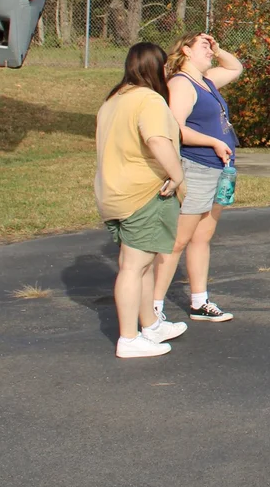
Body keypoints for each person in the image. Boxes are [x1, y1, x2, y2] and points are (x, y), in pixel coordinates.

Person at [94, 43, 189, 359]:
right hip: (143, 194)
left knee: (141, 262)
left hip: (113, 194)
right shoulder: (149, 100)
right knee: (134, 267)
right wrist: (176, 175)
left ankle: (151, 325)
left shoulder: (112, 101)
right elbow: (157, 140)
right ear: (158, 69)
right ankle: (128, 337)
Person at [152, 32, 244, 323]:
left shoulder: (206, 81)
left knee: (203, 237)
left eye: (210, 44)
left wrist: (218, 48)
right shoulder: (181, 83)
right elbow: (176, 129)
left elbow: (235, 67)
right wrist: (214, 143)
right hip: (197, 167)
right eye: (203, 45)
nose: (210, 49)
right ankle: (153, 305)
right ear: (186, 51)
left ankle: (199, 302)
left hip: (219, 170)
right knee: (178, 240)